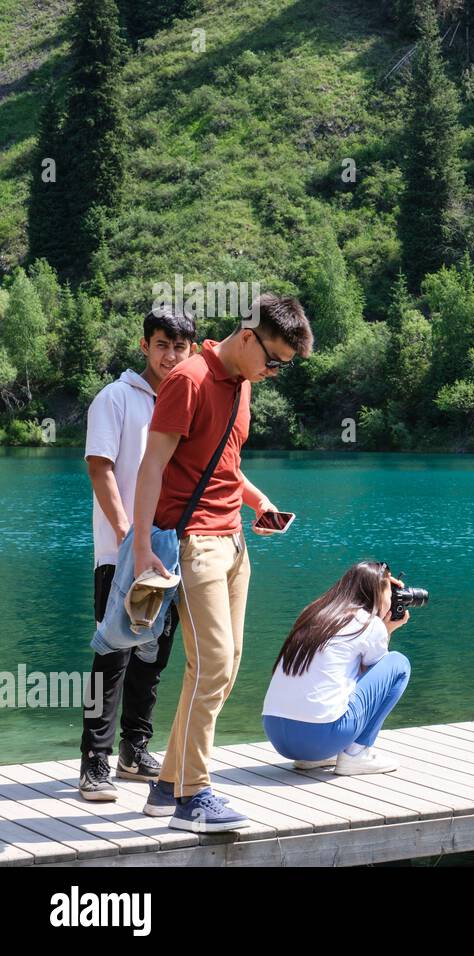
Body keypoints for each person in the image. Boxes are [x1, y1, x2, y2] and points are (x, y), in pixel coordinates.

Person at [132, 294, 314, 832]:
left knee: (221, 669)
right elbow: (151, 467)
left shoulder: (244, 387)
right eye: (274, 360)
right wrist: (142, 546)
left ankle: (168, 786)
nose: (275, 373)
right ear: (248, 335)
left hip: (234, 543)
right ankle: (194, 798)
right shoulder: (188, 380)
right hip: (192, 544)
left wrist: (259, 503)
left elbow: (224, 466)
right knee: (211, 666)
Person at [79, 307, 196, 801]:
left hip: (170, 554)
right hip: (122, 551)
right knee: (111, 656)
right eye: (162, 345)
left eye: (180, 347)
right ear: (144, 345)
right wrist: (131, 537)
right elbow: (100, 467)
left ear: (191, 350)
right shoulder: (116, 398)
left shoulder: (188, 398)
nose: (171, 356)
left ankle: (133, 751)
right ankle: (93, 763)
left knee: (154, 656)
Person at [262, 561, 412, 775]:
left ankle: (314, 758)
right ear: (376, 593)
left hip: (278, 736)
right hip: (321, 737)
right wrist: (386, 631)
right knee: (398, 664)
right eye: (391, 594)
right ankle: (356, 754)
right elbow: (376, 676)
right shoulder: (368, 622)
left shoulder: (314, 614)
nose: (394, 599)